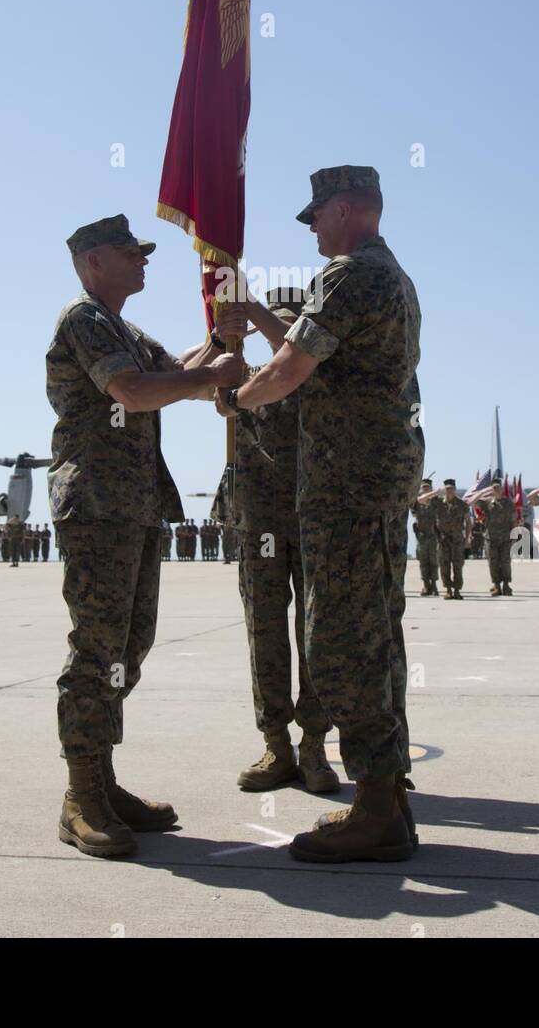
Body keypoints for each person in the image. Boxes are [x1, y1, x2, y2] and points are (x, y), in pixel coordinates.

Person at [216, 166, 423, 862]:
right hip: (373, 478)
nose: (311, 229)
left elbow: (291, 366)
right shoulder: (386, 275)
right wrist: (252, 315)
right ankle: (387, 795)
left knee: (344, 639)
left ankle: (373, 809)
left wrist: (240, 398)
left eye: (316, 217)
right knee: (376, 630)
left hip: (347, 483)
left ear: (343, 211)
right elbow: (312, 348)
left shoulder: (351, 273)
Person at [47, 213, 244, 859]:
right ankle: (81, 797)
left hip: (132, 506)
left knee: (130, 645)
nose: (146, 262)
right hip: (97, 504)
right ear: (95, 260)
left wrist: (220, 338)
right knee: (96, 648)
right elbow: (134, 392)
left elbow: (174, 374)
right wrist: (211, 375)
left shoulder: (125, 329)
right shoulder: (84, 319)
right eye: (134, 253)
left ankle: (103, 780)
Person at [224, 286, 338, 796]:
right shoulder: (244, 380)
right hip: (259, 523)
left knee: (315, 634)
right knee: (264, 631)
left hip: (313, 519)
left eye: (291, 327)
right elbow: (217, 397)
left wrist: (258, 315)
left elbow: (293, 355)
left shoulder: (319, 372)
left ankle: (314, 745)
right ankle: (276, 743)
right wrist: (225, 336)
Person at [419, 479, 470, 599]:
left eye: (451, 488)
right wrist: (435, 492)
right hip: (443, 540)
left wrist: (467, 538)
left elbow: (468, 522)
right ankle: (448, 589)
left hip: (457, 540)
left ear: (455, 489)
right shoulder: (438, 502)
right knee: (444, 566)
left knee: (458, 566)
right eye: (447, 489)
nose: (450, 491)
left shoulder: (462, 504)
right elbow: (420, 500)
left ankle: (457, 590)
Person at [478, 476, 516, 596]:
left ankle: (506, 585)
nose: (496, 489)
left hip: (505, 537)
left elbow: (513, 520)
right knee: (493, 562)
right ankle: (496, 585)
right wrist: (484, 492)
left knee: (505, 562)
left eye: (498, 487)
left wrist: (514, 534)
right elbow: (472, 502)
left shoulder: (508, 503)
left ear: (502, 488)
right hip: (491, 538)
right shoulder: (487, 502)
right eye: (494, 488)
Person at [412, 478, 440, 597]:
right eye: (424, 487)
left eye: (428, 487)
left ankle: (433, 584)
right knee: (423, 561)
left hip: (433, 535)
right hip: (422, 536)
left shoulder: (435, 502)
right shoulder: (417, 502)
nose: (426, 489)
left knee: (433, 561)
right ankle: (425, 584)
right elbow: (414, 506)